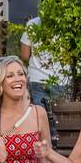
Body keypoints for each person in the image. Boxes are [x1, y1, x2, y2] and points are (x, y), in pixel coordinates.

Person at [20, 15, 65, 144]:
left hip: (36, 79)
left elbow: (24, 55)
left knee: (39, 121)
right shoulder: (67, 22)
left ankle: (43, 153)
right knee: (61, 122)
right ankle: (56, 152)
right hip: (61, 80)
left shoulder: (33, 24)